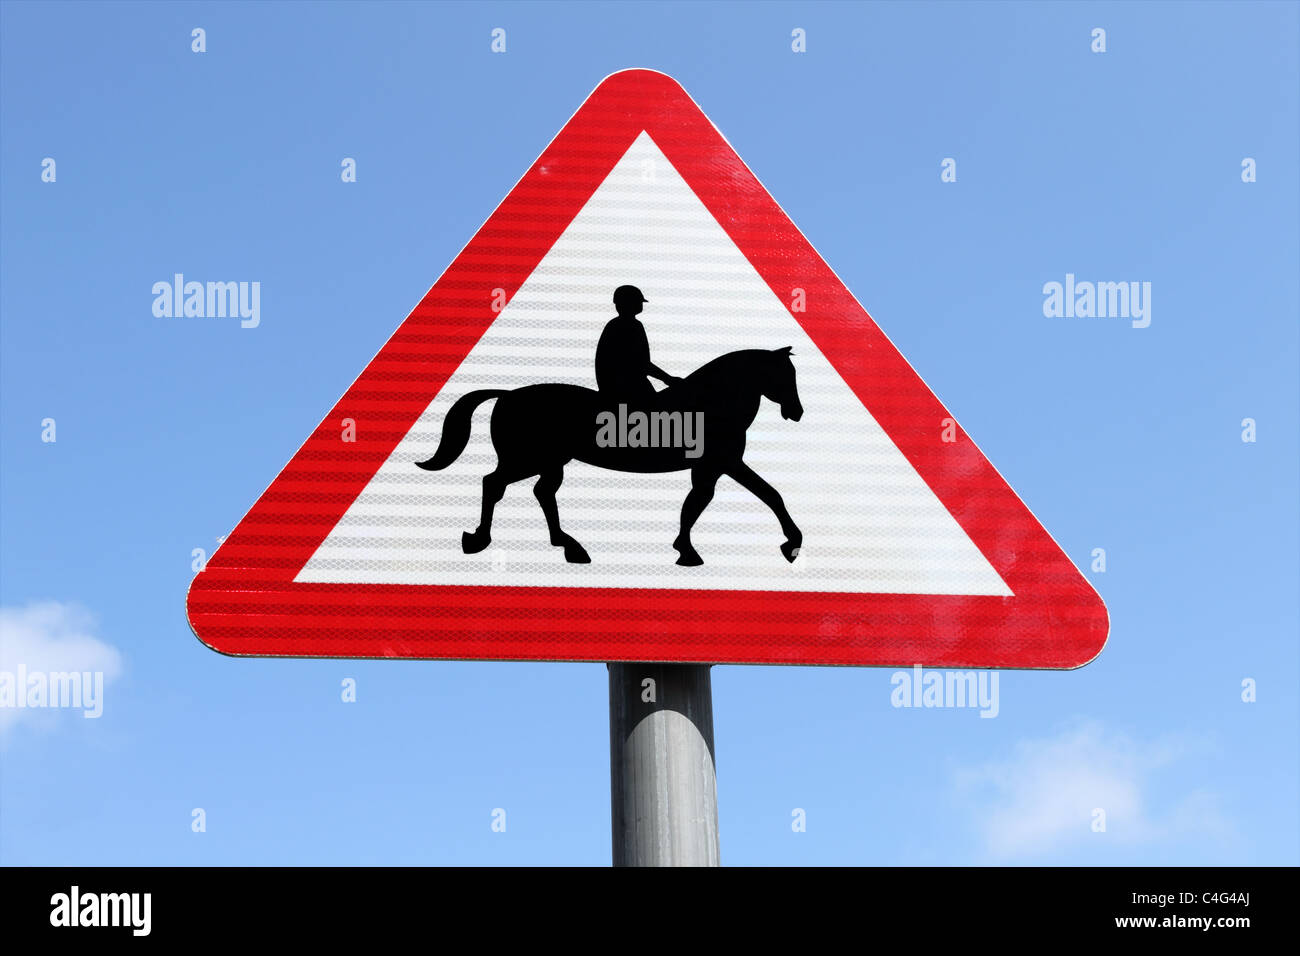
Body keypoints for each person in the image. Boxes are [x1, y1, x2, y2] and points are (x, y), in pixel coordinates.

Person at [594, 285, 680, 405]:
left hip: (612, 386)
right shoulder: (633, 326)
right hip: (628, 387)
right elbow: (641, 364)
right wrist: (668, 379)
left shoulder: (613, 325)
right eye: (638, 302)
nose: (641, 305)